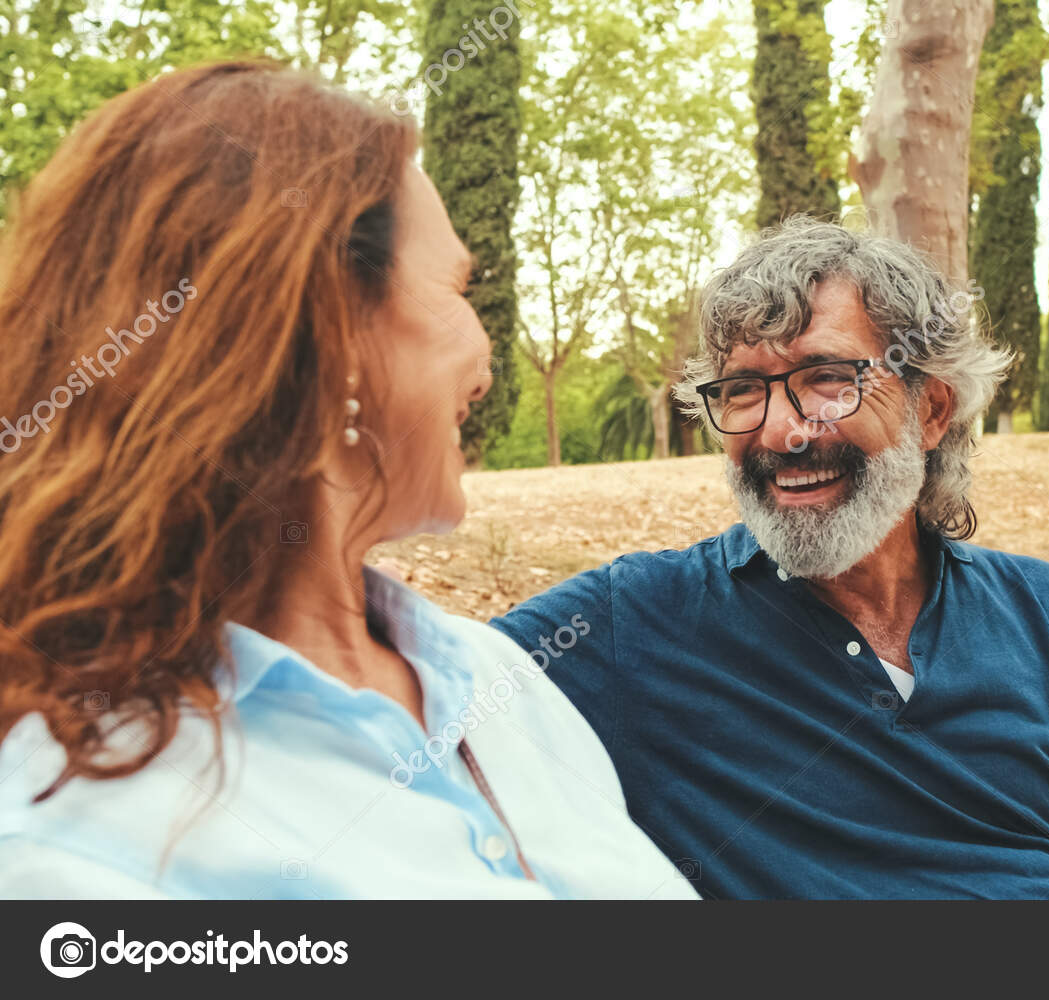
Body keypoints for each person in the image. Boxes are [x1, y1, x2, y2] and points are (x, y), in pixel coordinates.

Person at [0, 61, 694, 900]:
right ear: (330, 338)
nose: (483, 357)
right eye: (454, 289)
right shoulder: (76, 852)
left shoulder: (491, 675)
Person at [492, 219, 1049, 899]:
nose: (781, 430)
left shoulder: (1048, 610)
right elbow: (409, 692)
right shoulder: (638, 621)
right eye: (744, 390)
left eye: (826, 379)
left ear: (932, 410)